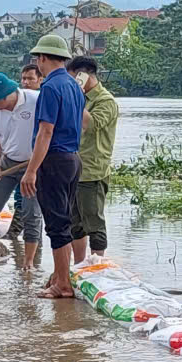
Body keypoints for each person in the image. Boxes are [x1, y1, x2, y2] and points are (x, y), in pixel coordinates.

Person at [19, 33, 84, 299]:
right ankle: (60, 276)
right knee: (64, 221)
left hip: (54, 160)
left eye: (38, 60)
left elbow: (46, 131)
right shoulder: (73, 85)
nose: (38, 64)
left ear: (43, 58)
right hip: (73, 159)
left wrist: (31, 170)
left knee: (56, 225)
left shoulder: (49, 87)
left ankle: (63, 285)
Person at [0, 71, 43, 270]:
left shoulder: (36, 100)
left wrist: (34, 169)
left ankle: (28, 262)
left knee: (31, 214)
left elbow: (48, 131)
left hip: (33, 164)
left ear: (5, 96)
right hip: (7, 162)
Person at [65, 55, 119, 259]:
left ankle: (99, 264)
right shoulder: (82, 98)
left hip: (93, 171)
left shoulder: (106, 101)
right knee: (75, 223)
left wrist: (76, 96)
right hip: (74, 168)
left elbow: (91, 124)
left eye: (74, 78)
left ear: (83, 76)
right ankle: (79, 265)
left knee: (94, 222)